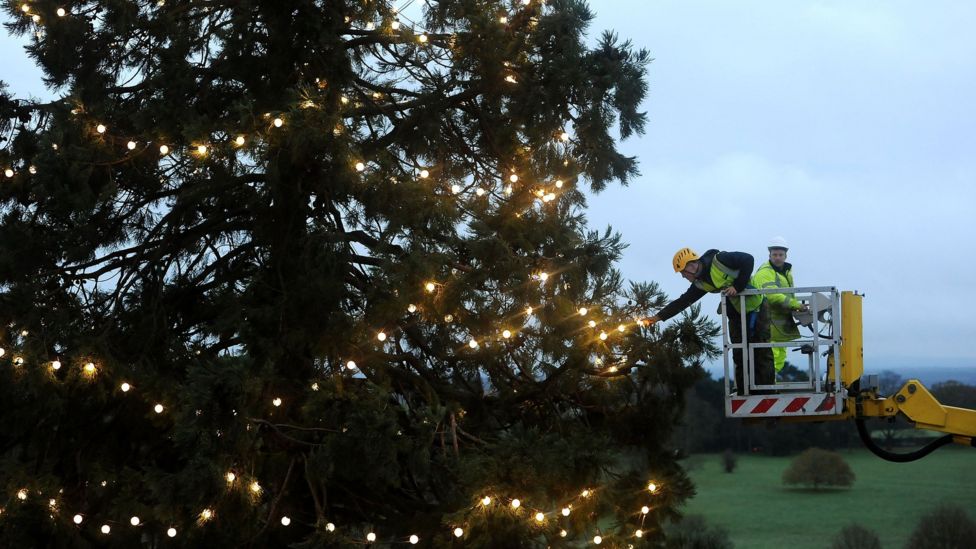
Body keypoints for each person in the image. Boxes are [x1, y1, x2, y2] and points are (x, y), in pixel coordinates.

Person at [645, 247, 775, 395]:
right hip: (735, 313)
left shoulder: (721, 261)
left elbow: (748, 259)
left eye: (683, 272)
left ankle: (767, 392)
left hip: (757, 308)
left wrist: (737, 286)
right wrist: (658, 317)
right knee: (739, 352)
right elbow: (684, 301)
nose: (683, 276)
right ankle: (745, 391)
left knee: (761, 350)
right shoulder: (701, 283)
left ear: (692, 266)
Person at [751, 236, 804, 376]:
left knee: (779, 358)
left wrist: (796, 306)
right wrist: (795, 305)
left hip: (780, 324)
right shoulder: (765, 272)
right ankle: (767, 385)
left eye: (780, 255)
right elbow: (772, 295)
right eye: (775, 254)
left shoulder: (784, 272)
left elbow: (786, 295)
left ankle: (771, 383)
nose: (778, 258)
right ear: (769, 255)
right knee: (771, 357)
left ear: (786, 255)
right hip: (768, 323)